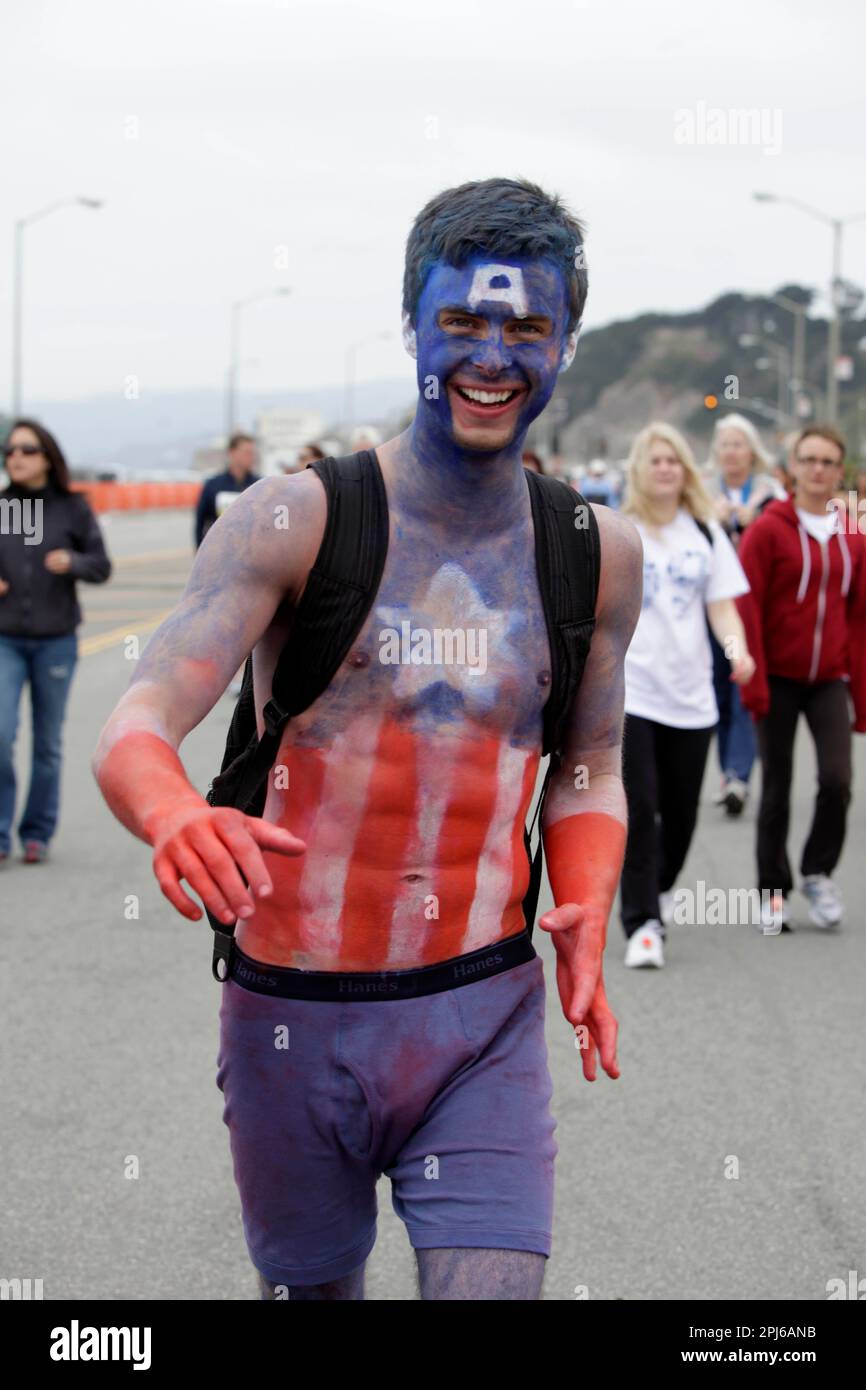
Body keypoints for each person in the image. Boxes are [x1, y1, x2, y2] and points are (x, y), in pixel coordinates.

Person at [93, 176, 642, 1301]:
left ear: (567, 343)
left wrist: (586, 905)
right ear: (412, 326)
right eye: (460, 322)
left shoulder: (597, 551)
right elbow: (138, 718)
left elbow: (588, 766)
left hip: (481, 1013)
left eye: (526, 326)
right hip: (291, 1017)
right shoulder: (292, 519)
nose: (491, 355)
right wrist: (173, 810)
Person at [619, 422, 755, 968]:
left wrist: (735, 651)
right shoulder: (621, 529)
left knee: (681, 815)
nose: (665, 468)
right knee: (641, 806)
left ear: (685, 470)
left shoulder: (705, 533)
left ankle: (662, 886)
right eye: (655, 460)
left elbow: (722, 608)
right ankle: (643, 922)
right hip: (634, 693)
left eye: (673, 460)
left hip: (693, 696)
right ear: (639, 468)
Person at [737, 424, 866, 931]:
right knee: (776, 788)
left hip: (828, 679)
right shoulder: (769, 528)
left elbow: (858, 616)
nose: (817, 470)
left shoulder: (852, 535)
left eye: (827, 462)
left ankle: (817, 871)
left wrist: (860, 688)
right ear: (793, 468)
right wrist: (754, 682)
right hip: (778, 678)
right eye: (808, 460)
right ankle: (773, 893)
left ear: (840, 471)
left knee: (837, 779)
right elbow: (745, 607)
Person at [0, 418, 111, 864]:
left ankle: (37, 832)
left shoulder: (73, 508)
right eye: (9, 451)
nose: (16, 458)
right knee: (1, 734)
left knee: (47, 743)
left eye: (26, 449)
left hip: (56, 641)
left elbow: (102, 566)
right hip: (4, 638)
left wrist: (74, 562)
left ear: (47, 456)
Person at [705, 413, 784, 816]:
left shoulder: (771, 497)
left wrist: (758, 522)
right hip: (710, 608)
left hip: (747, 609)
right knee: (717, 688)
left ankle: (738, 774)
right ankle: (728, 772)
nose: (732, 452)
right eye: (726, 444)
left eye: (739, 444)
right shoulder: (701, 495)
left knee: (742, 684)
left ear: (752, 451)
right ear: (716, 452)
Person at [194, 432, 260, 548]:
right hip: (220, 552)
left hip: (250, 554)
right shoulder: (213, 485)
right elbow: (200, 523)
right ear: (232, 453)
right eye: (247, 453)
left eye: (252, 453)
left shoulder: (259, 486)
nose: (251, 457)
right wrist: (201, 554)